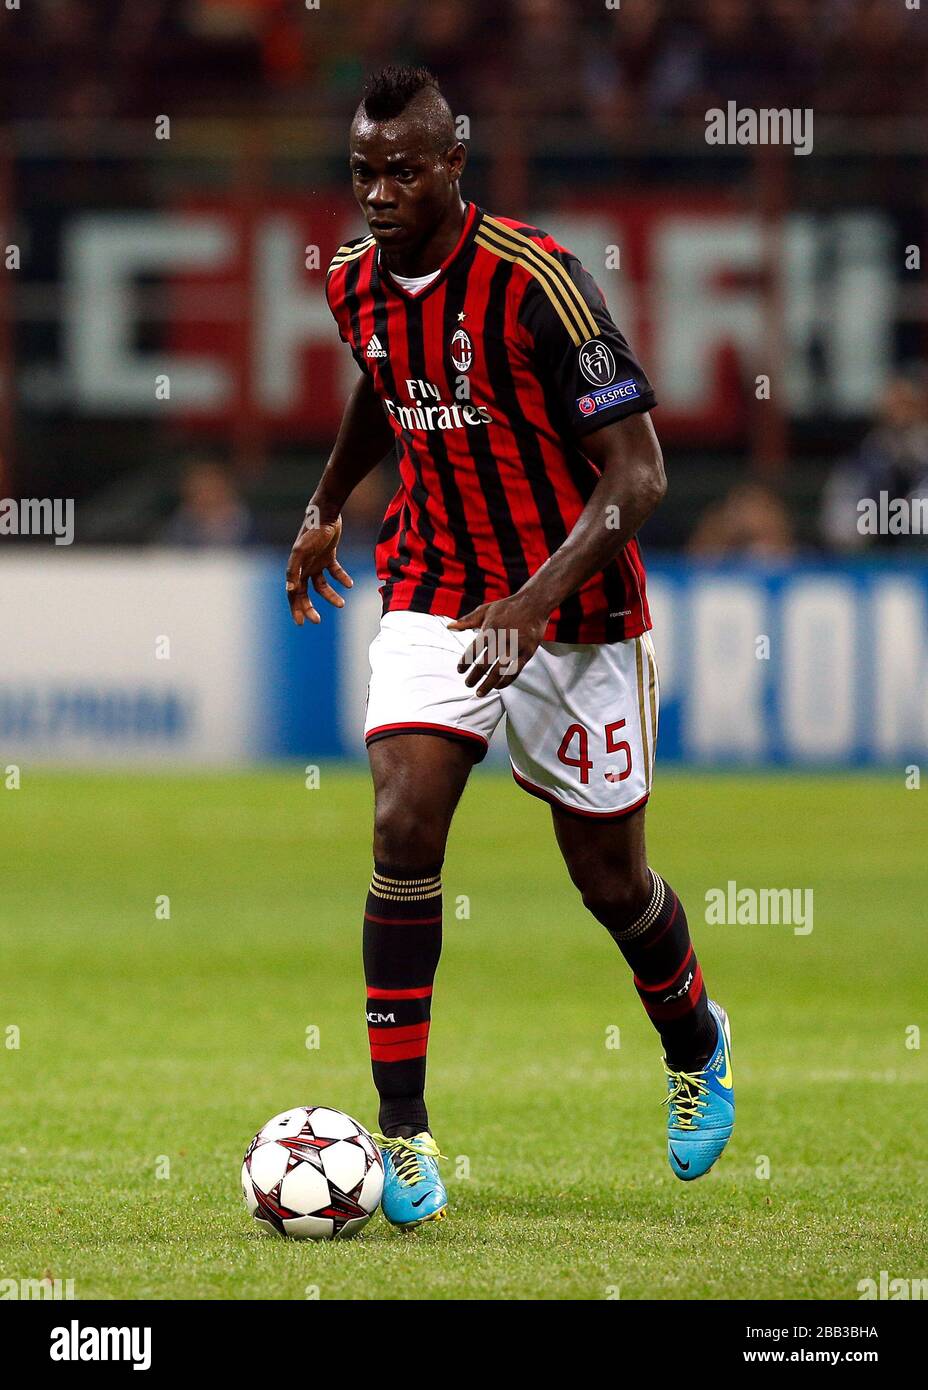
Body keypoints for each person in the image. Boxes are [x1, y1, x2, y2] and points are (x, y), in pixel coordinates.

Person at [286, 65, 734, 1228]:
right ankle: (404, 1134)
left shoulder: (541, 284)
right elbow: (384, 385)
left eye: (402, 169)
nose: (379, 192)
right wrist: (325, 504)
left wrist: (535, 601)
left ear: (453, 166)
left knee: (610, 880)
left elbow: (640, 475)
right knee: (401, 819)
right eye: (363, 170)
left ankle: (693, 1040)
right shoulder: (350, 282)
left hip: (574, 606)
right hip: (437, 586)